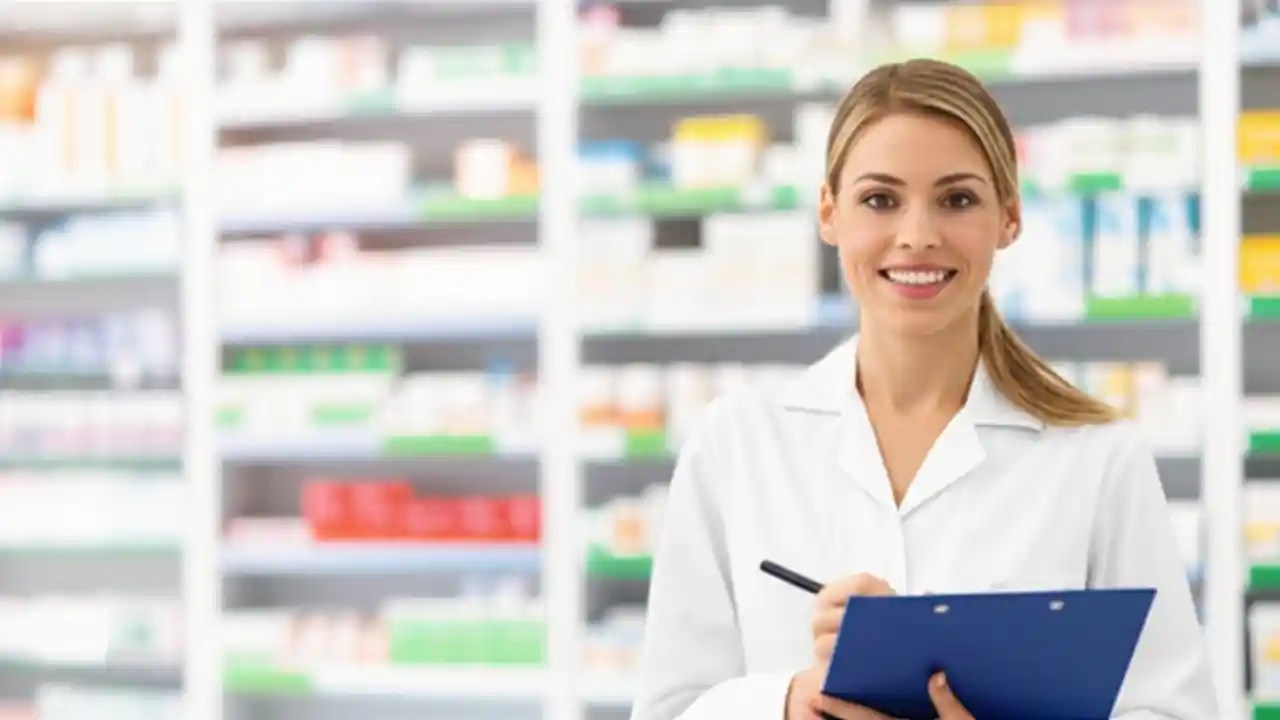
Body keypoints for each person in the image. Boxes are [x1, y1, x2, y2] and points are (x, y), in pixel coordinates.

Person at [629, 59, 1217, 720]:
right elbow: (667, 709)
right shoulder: (737, 443)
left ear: (1009, 216)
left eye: (957, 200)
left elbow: (1175, 711)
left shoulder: (1098, 456)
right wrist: (791, 702)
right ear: (829, 213)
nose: (917, 236)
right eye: (880, 200)